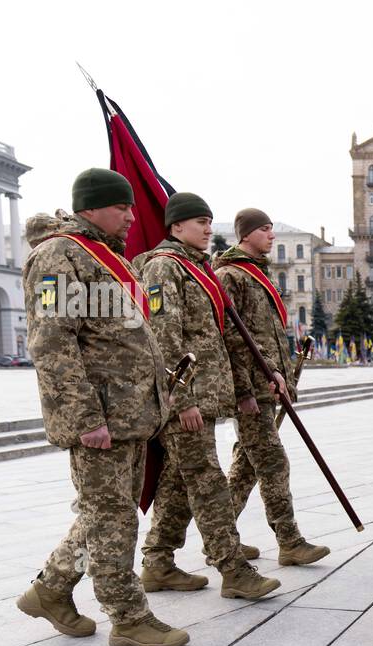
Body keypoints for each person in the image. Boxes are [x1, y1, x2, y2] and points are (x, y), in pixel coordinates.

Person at [14, 168, 188, 646]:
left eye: (132, 207)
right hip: (102, 419)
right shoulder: (59, 256)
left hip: (131, 415)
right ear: (90, 208)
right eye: (122, 208)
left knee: (104, 513)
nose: (132, 217)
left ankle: (50, 591)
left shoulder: (109, 259)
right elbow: (53, 344)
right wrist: (86, 418)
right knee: (113, 518)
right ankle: (129, 618)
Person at [132, 192, 280, 602]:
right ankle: (232, 569)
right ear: (176, 227)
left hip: (205, 396)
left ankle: (158, 561)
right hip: (186, 401)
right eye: (200, 221)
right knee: (208, 481)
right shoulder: (165, 267)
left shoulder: (197, 269)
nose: (208, 228)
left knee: (180, 481)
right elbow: (163, 336)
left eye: (210, 221)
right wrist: (183, 401)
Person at [215, 209, 330, 567]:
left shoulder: (256, 274)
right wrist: (245, 391)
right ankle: (289, 541)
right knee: (273, 463)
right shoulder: (231, 276)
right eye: (264, 230)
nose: (272, 236)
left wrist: (283, 375)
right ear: (246, 234)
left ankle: (220, 540)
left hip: (268, 386)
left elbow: (265, 334)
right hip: (252, 388)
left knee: (246, 469)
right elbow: (232, 338)